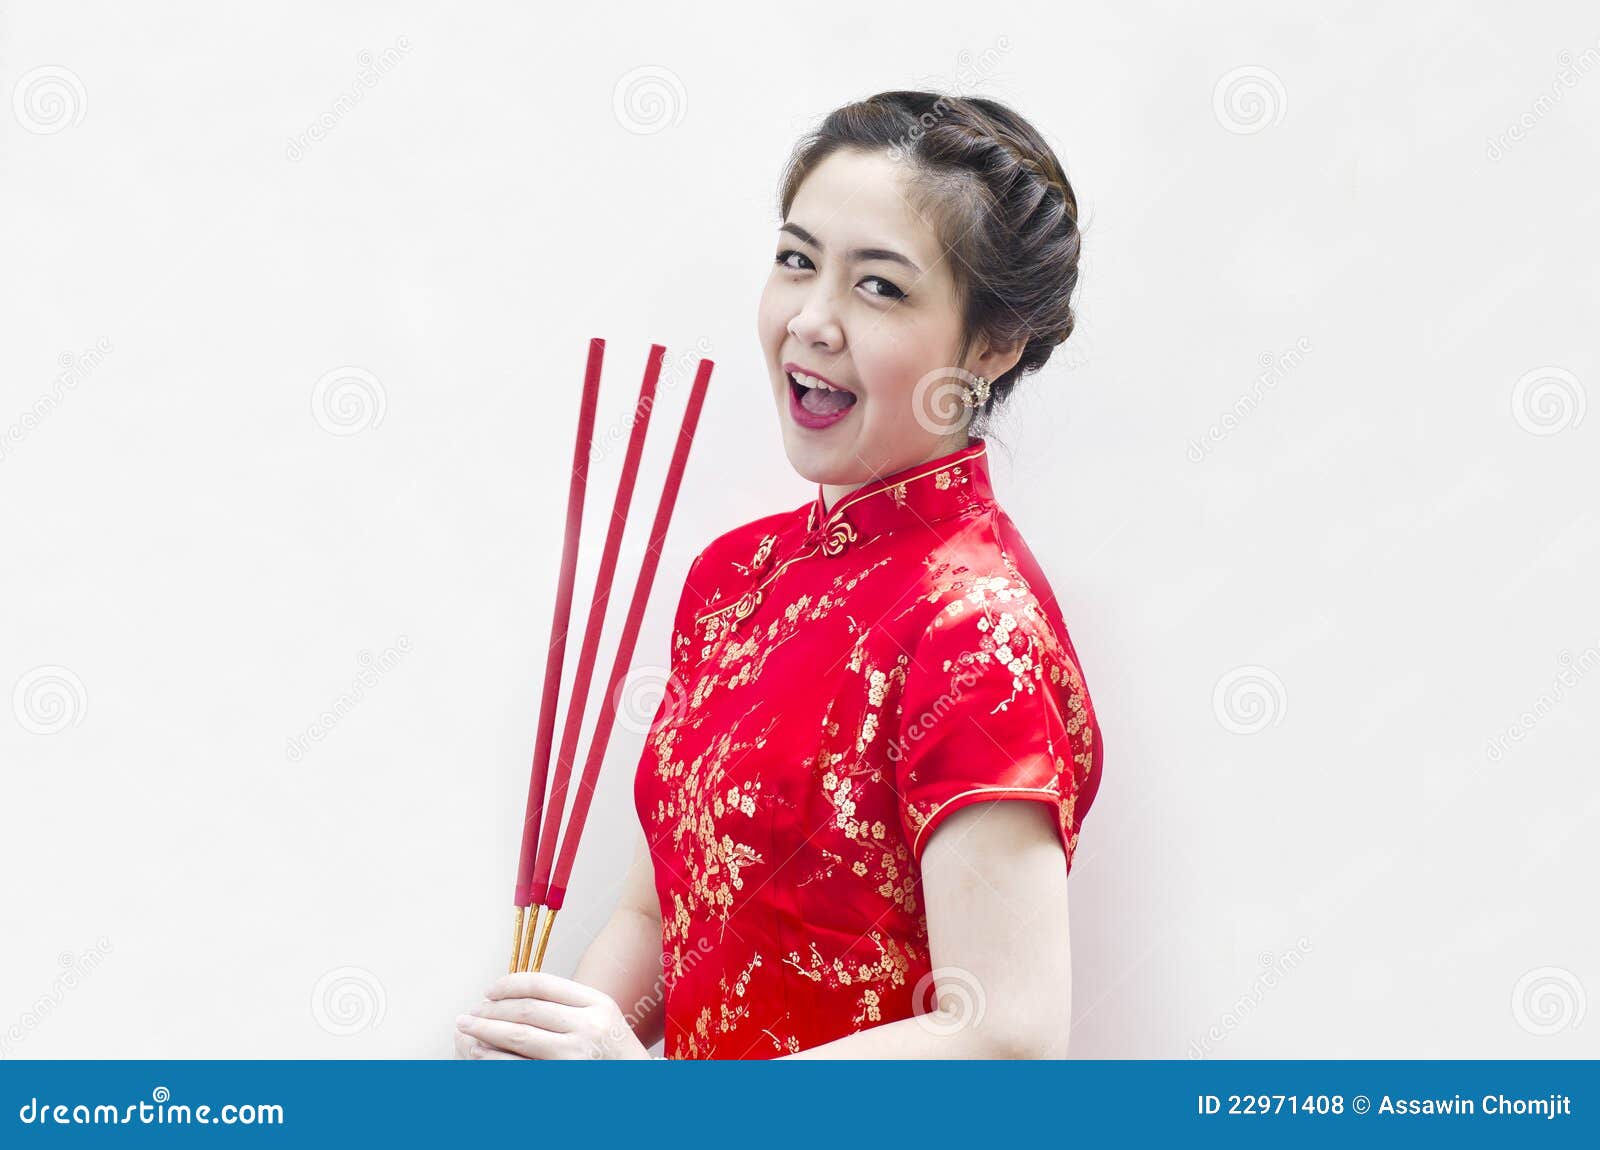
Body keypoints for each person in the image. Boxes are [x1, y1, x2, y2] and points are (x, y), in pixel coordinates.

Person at [456, 90, 1101, 1060]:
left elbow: (1005, 1037)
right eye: (797, 261)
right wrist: (557, 1055)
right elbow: (658, 913)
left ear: (992, 343)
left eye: (878, 287)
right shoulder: (732, 577)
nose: (811, 319)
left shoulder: (975, 629)